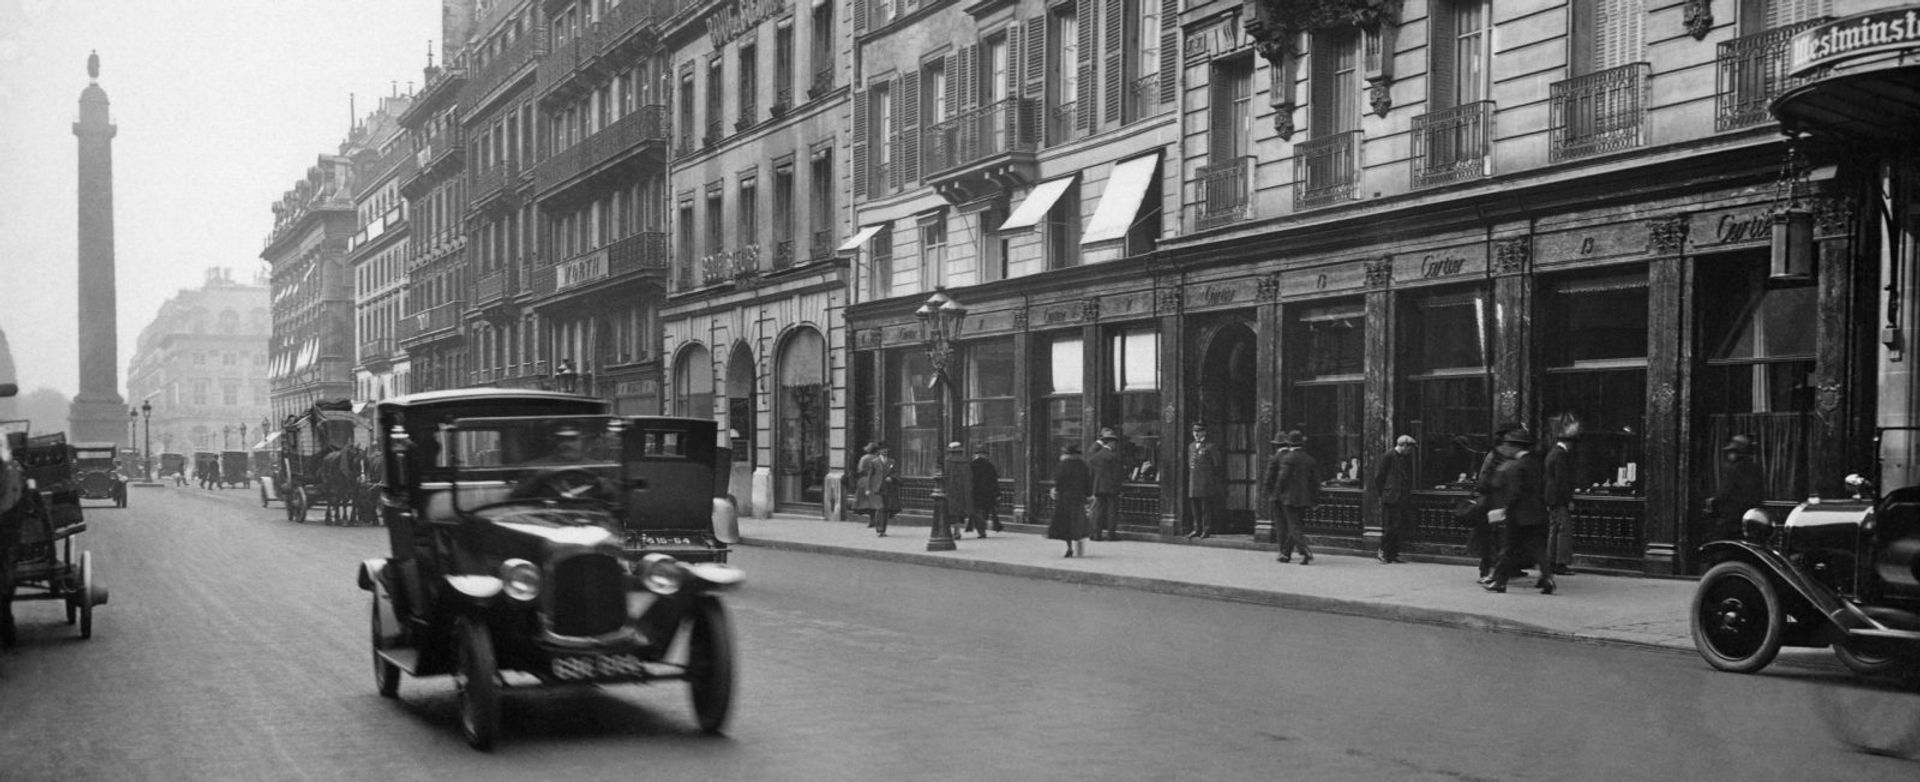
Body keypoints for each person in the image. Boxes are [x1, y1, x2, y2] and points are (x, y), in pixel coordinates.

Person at [1485, 428, 1553, 594]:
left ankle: (1500, 582)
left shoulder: (1516, 466)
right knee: (1538, 549)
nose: (1506, 449)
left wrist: (1506, 509)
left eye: (1508, 445)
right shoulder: (1536, 463)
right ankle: (1548, 578)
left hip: (1519, 515)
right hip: (1538, 512)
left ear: (1515, 447)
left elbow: (1514, 492)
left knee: (1508, 548)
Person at [1272, 430, 1319, 564]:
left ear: (1290, 443)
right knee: (1297, 525)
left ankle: (1304, 550)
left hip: (1289, 498)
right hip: (1305, 499)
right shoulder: (1309, 459)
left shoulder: (1287, 458)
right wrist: (1315, 500)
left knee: (1293, 526)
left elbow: (1282, 478)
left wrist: (1279, 493)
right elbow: (1315, 482)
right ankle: (1286, 554)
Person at [1369, 434, 1417, 564]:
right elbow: (1379, 477)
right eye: (1410, 448)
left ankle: (1393, 554)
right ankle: (1382, 551)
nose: (1410, 451)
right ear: (1404, 446)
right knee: (1392, 526)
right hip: (1391, 497)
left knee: (1398, 526)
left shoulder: (1403, 458)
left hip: (1400, 496)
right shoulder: (1389, 456)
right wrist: (1384, 494)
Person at [1709, 434, 1765, 543]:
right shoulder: (1753, 469)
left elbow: (1725, 493)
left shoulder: (1735, 469)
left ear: (1739, 453)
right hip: (1748, 519)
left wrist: (1716, 504)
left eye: (1732, 452)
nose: (1729, 455)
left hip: (1731, 521)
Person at [1542, 423, 1581, 576]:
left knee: (1554, 529)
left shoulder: (1552, 453)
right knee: (1564, 530)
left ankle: (1551, 561)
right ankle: (1561, 563)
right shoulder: (1561, 455)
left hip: (1551, 498)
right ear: (1568, 443)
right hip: (1559, 498)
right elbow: (1562, 480)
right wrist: (1568, 499)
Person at [1048, 444, 1092, 557]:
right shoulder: (1083, 465)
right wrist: (1088, 494)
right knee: (1078, 521)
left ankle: (1069, 547)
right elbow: (1088, 482)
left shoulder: (1063, 465)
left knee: (1066, 523)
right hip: (1078, 498)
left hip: (1065, 499)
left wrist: (1057, 491)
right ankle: (1079, 541)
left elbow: (1058, 480)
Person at [1185, 422, 1224, 538]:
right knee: (1195, 507)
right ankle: (1196, 529)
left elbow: (1217, 464)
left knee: (1205, 507)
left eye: (1199, 431)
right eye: (1194, 431)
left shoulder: (1210, 446)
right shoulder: (1191, 446)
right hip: (1194, 481)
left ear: (1204, 432)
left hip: (1206, 482)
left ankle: (1206, 529)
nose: (1196, 434)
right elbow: (1189, 463)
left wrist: (1210, 478)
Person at [1088, 428, 1126, 541]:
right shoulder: (1113, 456)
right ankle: (1111, 535)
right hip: (1111, 488)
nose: (1115, 445)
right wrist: (1119, 488)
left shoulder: (1096, 456)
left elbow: (1092, 471)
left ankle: (1097, 535)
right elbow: (1117, 474)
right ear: (1110, 443)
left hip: (1098, 487)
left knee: (1099, 511)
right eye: (1114, 442)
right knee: (1111, 512)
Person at [854, 442, 901, 536]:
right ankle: (879, 529)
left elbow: (895, 472)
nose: (885, 451)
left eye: (886, 450)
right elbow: (870, 475)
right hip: (876, 487)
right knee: (880, 508)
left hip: (886, 488)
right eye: (883, 450)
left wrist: (891, 478)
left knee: (884, 509)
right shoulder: (874, 461)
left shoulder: (891, 461)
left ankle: (882, 529)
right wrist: (868, 488)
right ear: (878, 451)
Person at [943, 441, 974, 539]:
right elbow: (969, 477)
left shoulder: (947, 462)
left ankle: (952, 531)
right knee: (959, 512)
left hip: (950, 490)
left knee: (950, 512)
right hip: (962, 491)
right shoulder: (966, 462)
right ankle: (957, 531)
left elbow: (944, 477)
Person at [969, 447, 1002, 534]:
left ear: (976, 455)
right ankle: (984, 525)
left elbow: (969, 480)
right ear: (985, 455)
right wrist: (997, 493)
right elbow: (994, 481)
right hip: (988, 493)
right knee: (986, 510)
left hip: (976, 492)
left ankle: (981, 530)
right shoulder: (990, 466)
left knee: (978, 511)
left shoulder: (971, 466)